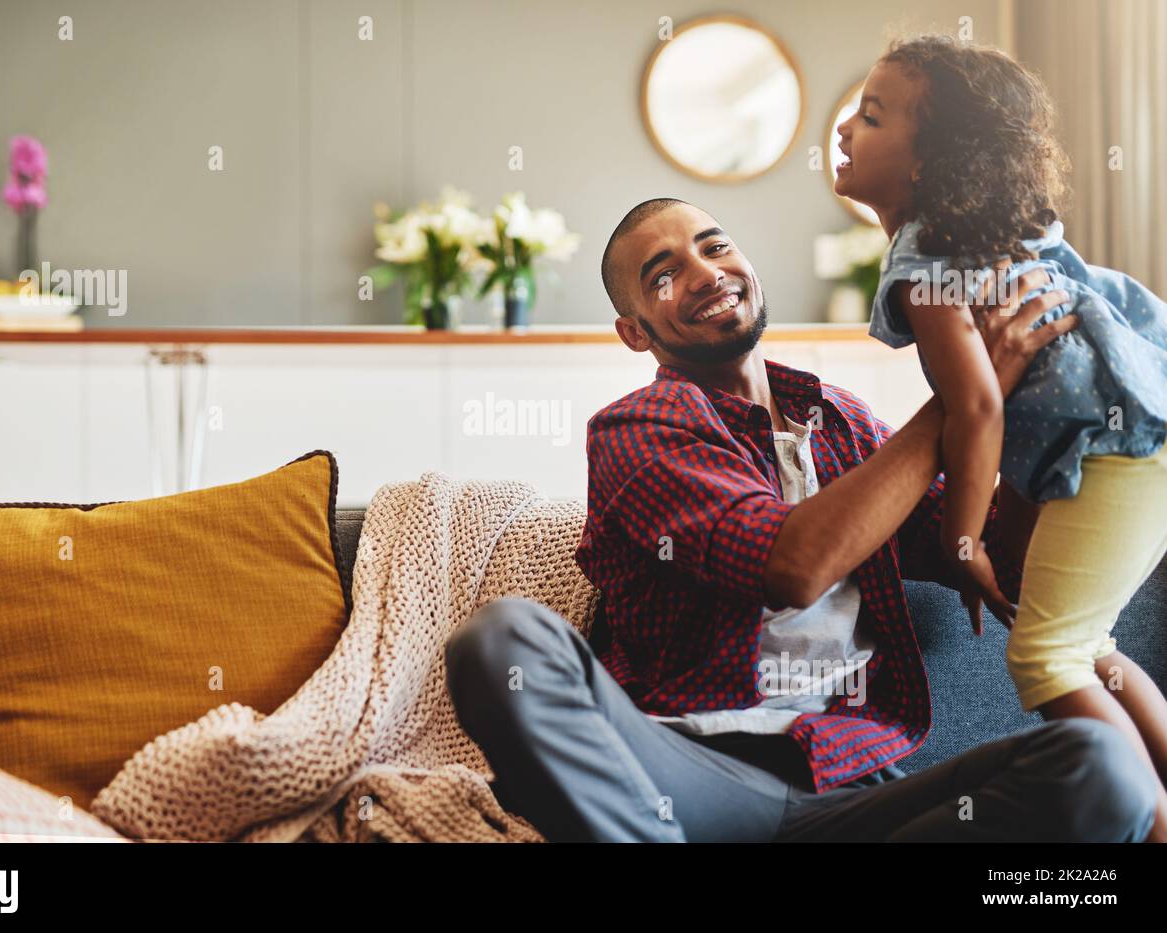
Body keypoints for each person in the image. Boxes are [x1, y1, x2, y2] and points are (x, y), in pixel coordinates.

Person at [444, 197, 1159, 842]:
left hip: (855, 790)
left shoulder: (845, 423)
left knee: (1102, 766)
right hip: (687, 778)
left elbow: (1001, 561)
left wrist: (1039, 411)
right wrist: (967, 390)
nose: (703, 272)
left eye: (716, 246)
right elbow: (793, 565)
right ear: (634, 332)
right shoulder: (635, 428)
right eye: (664, 272)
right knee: (503, 639)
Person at [836, 34, 1167, 840]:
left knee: (1045, 659)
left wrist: (964, 538)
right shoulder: (981, 242)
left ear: (927, 164)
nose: (845, 127)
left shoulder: (924, 263)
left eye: (872, 116)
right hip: (1134, 442)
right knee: (1085, 646)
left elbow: (977, 407)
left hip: (1119, 456)